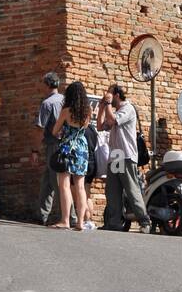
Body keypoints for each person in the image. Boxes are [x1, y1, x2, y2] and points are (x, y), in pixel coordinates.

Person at [97, 84, 151, 233]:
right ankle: (114, 222)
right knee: (112, 191)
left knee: (131, 189)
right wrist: (102, 107)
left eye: (109, 94)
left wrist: (107, 105)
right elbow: (100, 127)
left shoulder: (128, 108)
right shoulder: (114, 110)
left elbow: (114, 120)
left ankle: (145, 221)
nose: (107, 96)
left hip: (126, 155)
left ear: (117, 95)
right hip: (115, 155)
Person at [51, 81, 91, 231]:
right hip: (82, 148)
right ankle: (81, 222)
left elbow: (55, 131)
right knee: (80, 187)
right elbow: (83, 129)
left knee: (64, 185)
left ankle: (65, 220)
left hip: (68, 149)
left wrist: (62, 134)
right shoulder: (88, 112)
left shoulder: (66, 111)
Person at [35, 72, 67, 225]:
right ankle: (42, 214)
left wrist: (35, 150)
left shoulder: (47, 104)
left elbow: (40, 129)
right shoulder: (64, 100)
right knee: (48, 181)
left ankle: (68, 217)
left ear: (47, 85)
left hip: (53, 145)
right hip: (64, 144)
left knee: (57, 181)